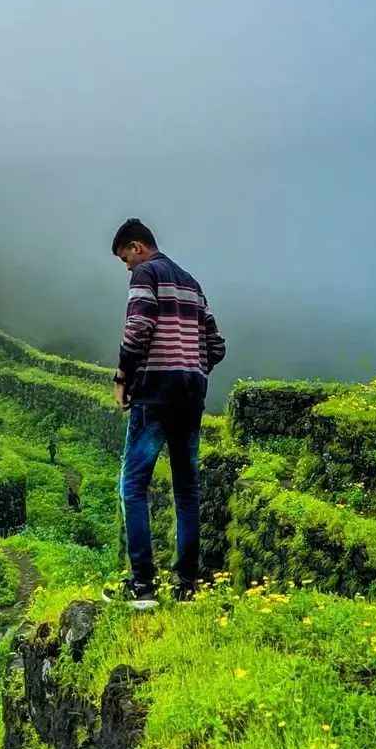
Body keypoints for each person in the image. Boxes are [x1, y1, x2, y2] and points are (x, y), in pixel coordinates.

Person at [103, 218, 227, 608]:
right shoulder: (191, 282)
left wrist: (123, 376)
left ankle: (142, 586)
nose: (127, 267)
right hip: (191, 396)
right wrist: (190, 368)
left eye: (125, 259)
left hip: (154, 394)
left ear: (137, 247)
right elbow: (216, 345)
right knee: (187, 489)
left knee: (133, 484)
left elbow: (138, 327)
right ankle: (186, 585)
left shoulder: (146, 273)